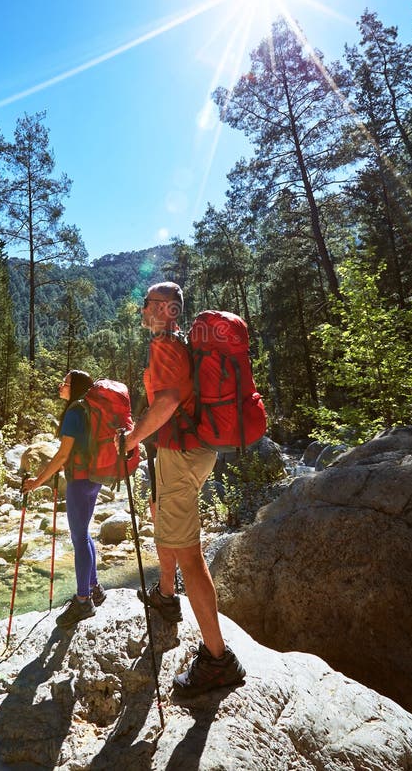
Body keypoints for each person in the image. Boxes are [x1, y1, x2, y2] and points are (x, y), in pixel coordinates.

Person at [118, 282, 246, 698]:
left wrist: (132, 437)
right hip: (184, 450)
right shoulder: (173, 344)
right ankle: (167, 596)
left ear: (170, 309)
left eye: (150, 305)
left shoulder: (166, 345)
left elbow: (169, 401)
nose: (143, 310)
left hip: (181, 453)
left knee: (189, 551)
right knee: (161, 517)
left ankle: (218, 659)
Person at [23, 370, 107, 629]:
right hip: (95, 477)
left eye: (66, 383)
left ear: (76, 387)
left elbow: (61, 456)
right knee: (85, 533)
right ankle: (95, 588)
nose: (61, 385)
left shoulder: (74, 412)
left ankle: (83, 601)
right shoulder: (90, 410)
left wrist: (37, 482)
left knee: (79, 537)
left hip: (80, 481)